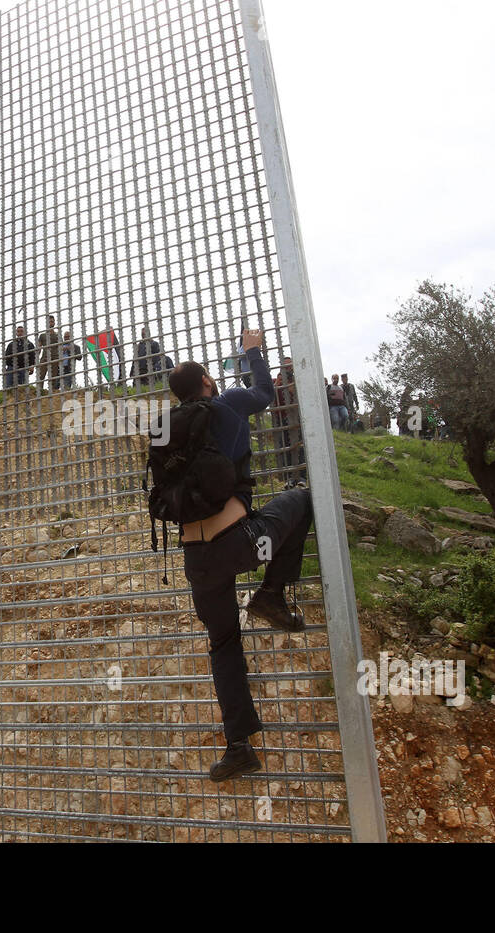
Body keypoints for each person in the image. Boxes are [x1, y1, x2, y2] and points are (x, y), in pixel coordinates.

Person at [166, 329, 312, 782]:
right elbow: (265, 393)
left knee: (223, 644)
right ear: (208, 382)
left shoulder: (167, 427)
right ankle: (271, 593)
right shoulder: (227, 402)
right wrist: (253, 349)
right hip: (242, 544)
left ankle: (238, 747)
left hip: (197, 561)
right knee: (303, 500)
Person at [272, 358, 305, 485]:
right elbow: (268, 399)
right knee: (285, 448)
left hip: (295, 419)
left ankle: (302, 477)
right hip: (280, 420)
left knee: (299, 447)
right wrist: (277, 386)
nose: (287, 370)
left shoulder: (297, 381)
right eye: (284, 367)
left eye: (289, 367)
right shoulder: (275, 381)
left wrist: (294, 389)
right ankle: (289, 478)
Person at [3, 325, 36, 390]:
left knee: (22, 388)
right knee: (8, 387)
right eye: (18, 331)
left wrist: (32, 366)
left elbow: (32, 356)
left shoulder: (29, 344)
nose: (20, 333)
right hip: (11, 368)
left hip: (23, 368)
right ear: (16, 333)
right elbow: (6, 356)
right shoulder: (11, 344)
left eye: (21, 331)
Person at [36, 315, 62, 391]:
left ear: (54, 323)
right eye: (50, 321)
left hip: (55, 358)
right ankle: (40, 391)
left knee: (53, 377)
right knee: (41, 376)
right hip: (44, 358)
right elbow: (39, 347)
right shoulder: (42, 335)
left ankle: (52, 392)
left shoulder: (58, 335)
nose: (51, 323)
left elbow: (60, 348)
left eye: (52, 321)